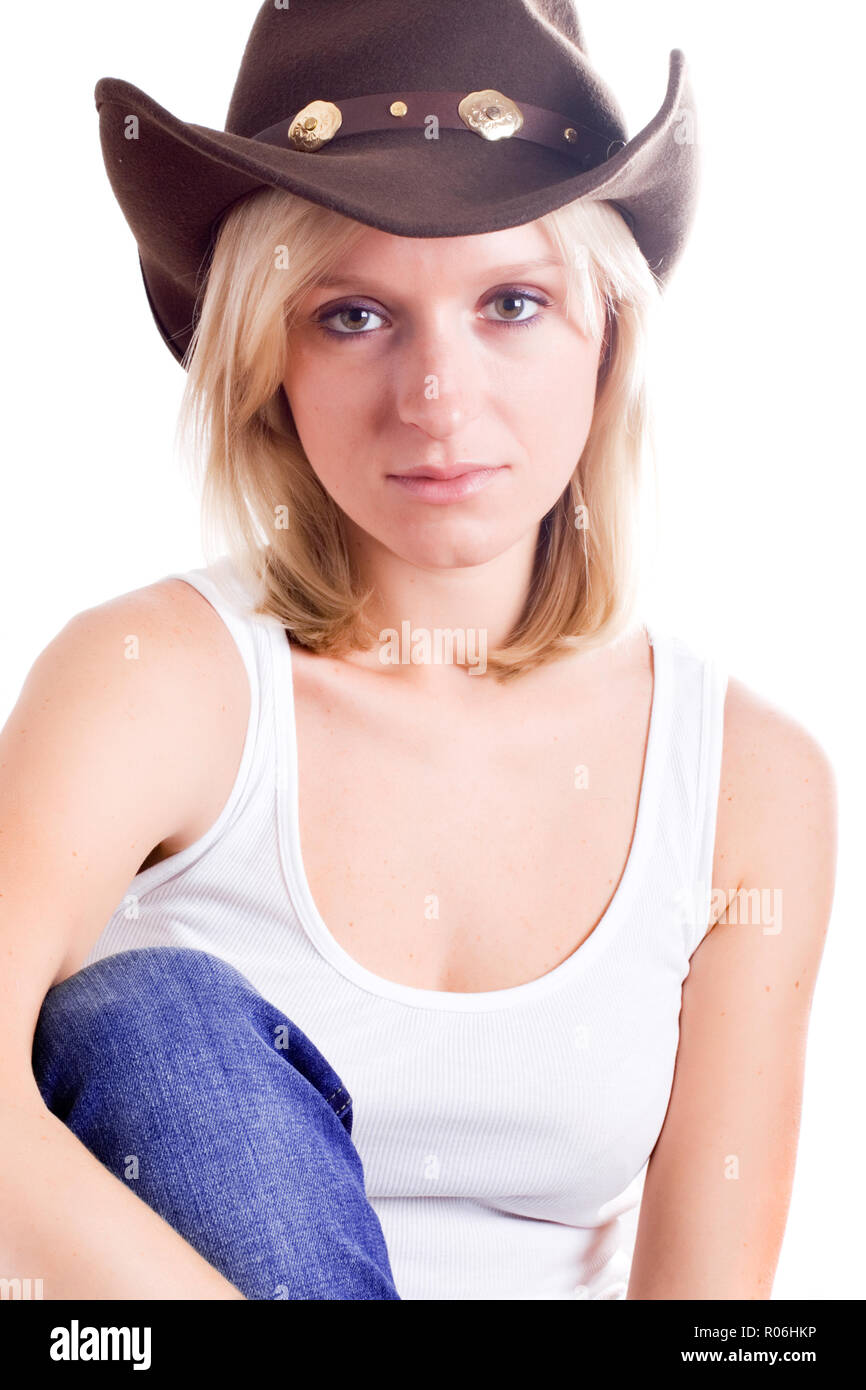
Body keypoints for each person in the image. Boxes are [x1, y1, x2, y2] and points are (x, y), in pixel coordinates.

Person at [0, 0, 837, 1301]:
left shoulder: (747, 778)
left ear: (602, 335)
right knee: (150, 1021)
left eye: (510, 301)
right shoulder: (147, 683)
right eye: (352, 315)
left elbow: (709, 1315)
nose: (436, 397)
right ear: (267, 354)